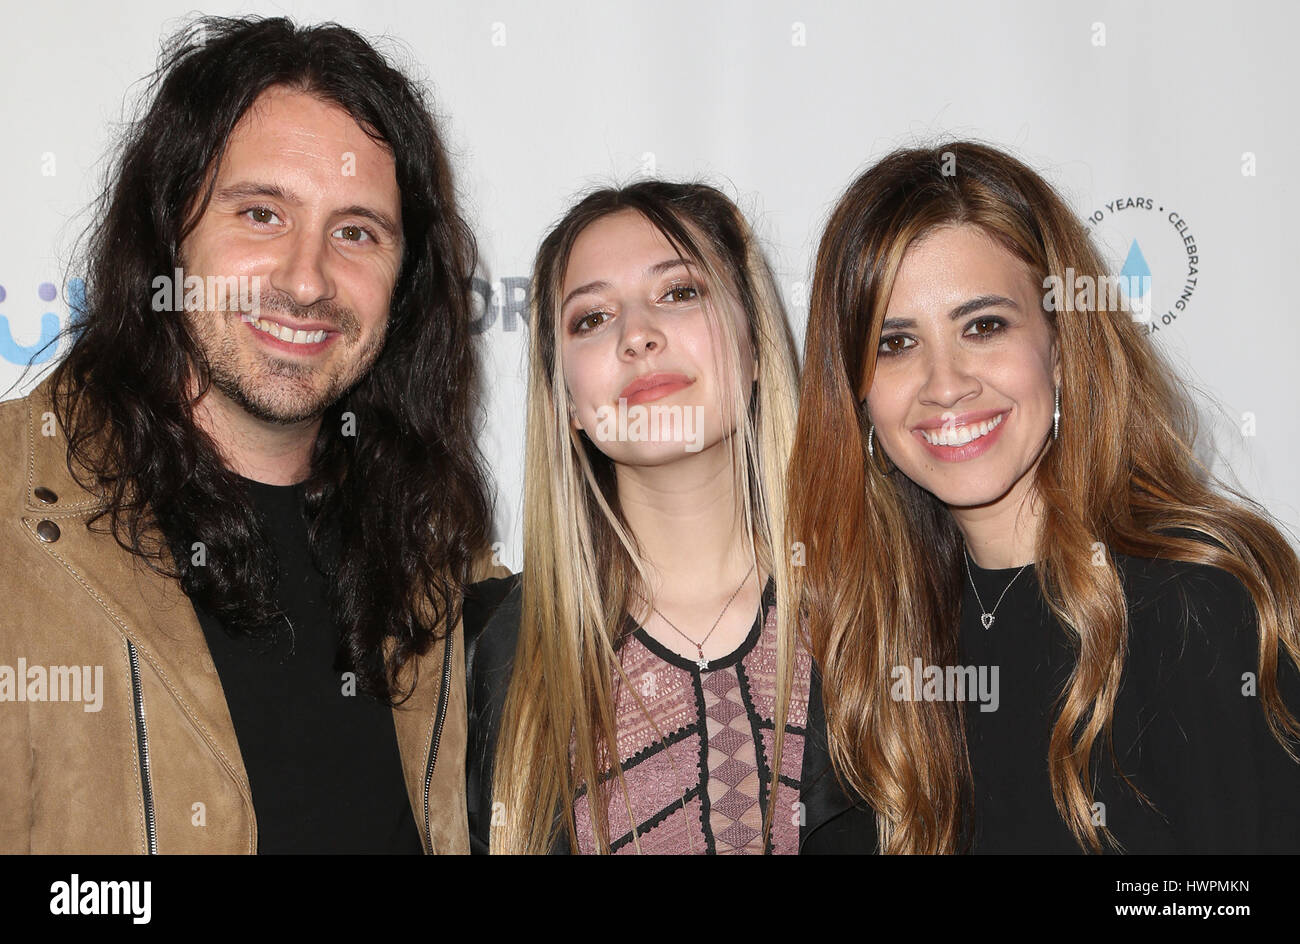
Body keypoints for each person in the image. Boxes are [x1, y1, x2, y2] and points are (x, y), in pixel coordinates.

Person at [0, 16, 501, 853]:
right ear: (169, 232)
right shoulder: (16, 525)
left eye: (356, 232)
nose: (306, 280)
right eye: (262, 213)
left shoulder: (440, 571)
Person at [788, 140, 1300, 853]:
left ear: (1060, 343)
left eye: (985, 326)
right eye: (895, 343)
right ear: (856, 392)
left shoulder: (1201, 602)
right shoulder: (866, 631)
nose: (945, 383)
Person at [465, 181, 876, 853]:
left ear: (754, 348)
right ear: (566, 399)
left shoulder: (881, 606)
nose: (636, 336)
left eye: (679, 292)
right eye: (591, 318)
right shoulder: (499, 658)